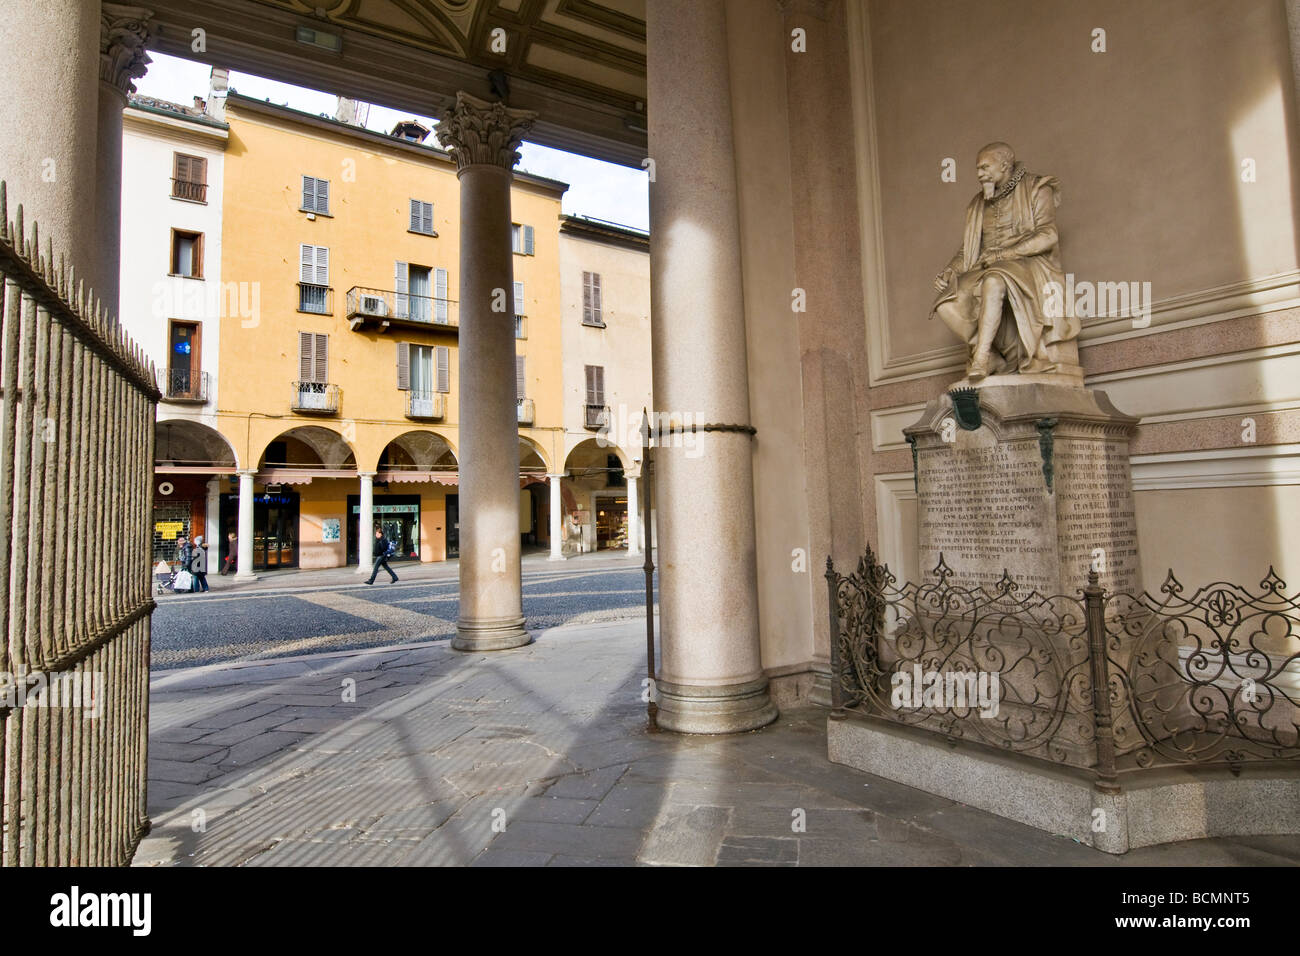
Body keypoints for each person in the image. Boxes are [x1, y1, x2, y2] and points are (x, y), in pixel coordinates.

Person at [930, 142, 1078, 382]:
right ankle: (998, 358)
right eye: (978, 169)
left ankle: (981, 356)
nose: (980, 174)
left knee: (994, 281)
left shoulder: (1036, 187)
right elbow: (969, 249)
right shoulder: (978, 204)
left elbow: (1048, 235)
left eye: (985, 168)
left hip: (1029, 264)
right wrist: (949, 271)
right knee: (946, 303)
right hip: (987, 266)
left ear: (1005, 165)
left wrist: (1003, 255)